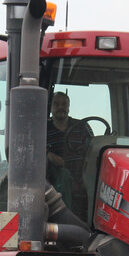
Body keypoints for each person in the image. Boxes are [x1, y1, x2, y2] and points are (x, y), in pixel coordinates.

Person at [46, 92, 93, 220]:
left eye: (64, 104)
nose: (60, 107)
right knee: (63, 176)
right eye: (56, 104)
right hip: (54, 176)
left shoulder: (82, 127)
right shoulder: (44, 129)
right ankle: (65, 221)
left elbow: (93, 151)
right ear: (50, 108)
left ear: (69, 107)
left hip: (82, 174)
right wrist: (48, 154)